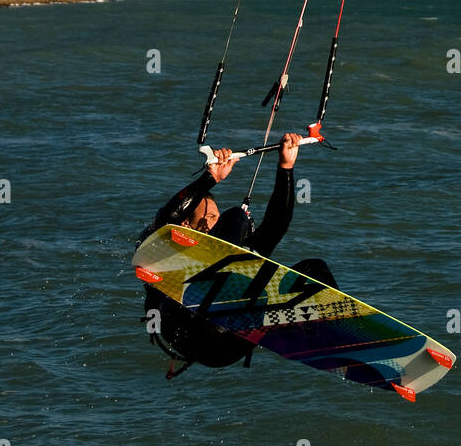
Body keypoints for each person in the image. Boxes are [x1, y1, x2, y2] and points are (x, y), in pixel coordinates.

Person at [137, 132, 337, 376]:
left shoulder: (236, 255)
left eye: (214, 220)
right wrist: (210, 178)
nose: (212, 225)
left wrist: (286, 167)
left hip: (224, 348)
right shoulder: (164, 246)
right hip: (183, 326)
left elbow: (276, 226)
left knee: (314, 270)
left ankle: (339, 335)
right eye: (208, 219)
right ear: (186, 226)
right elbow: (169, 216)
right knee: (236, 216)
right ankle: (225, 297)